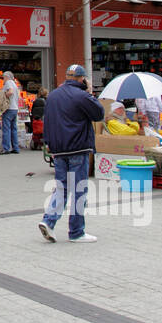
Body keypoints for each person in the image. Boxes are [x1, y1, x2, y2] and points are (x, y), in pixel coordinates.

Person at [38, 64, 104, 244]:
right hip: (78, 147)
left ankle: (48, 220)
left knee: (61, 187)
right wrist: (89, 92)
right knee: (79, 189)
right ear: (82, 79)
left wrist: (49, 143)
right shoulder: (82, 96)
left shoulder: (53, 96)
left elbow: (48, 121)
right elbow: (99, 113)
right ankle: (76, 231)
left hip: (59, 149)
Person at [0, 71, 20, 154]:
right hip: (15, 108)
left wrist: (4, 95)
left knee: (6, 129)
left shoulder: (8, 83)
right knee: (14, 129)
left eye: (4, 78)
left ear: (6, 77)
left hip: (9, 108)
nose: (3, 79)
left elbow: (10, 92)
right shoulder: (15, 84)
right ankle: (16, 148)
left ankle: (6, 148)